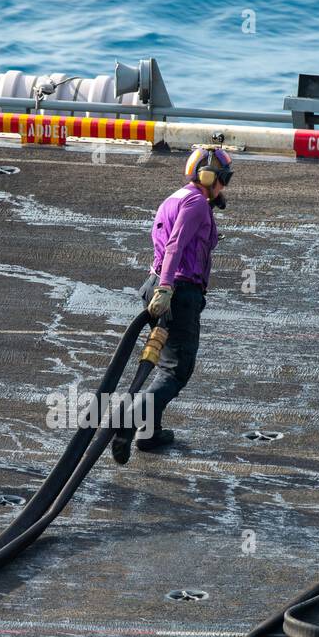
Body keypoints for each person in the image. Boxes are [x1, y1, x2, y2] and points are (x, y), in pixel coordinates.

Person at [113, 146, 231, 463]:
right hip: (176, 291)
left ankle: (149, 434)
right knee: (176, 371)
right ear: (208, 177)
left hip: (158, 286)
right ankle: (130, 420)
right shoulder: (195, 204)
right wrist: (167, 287)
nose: (224, 187)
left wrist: (160, 286)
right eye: (224, 179)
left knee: (163, 364)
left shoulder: (174, 198)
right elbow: (176, 246)